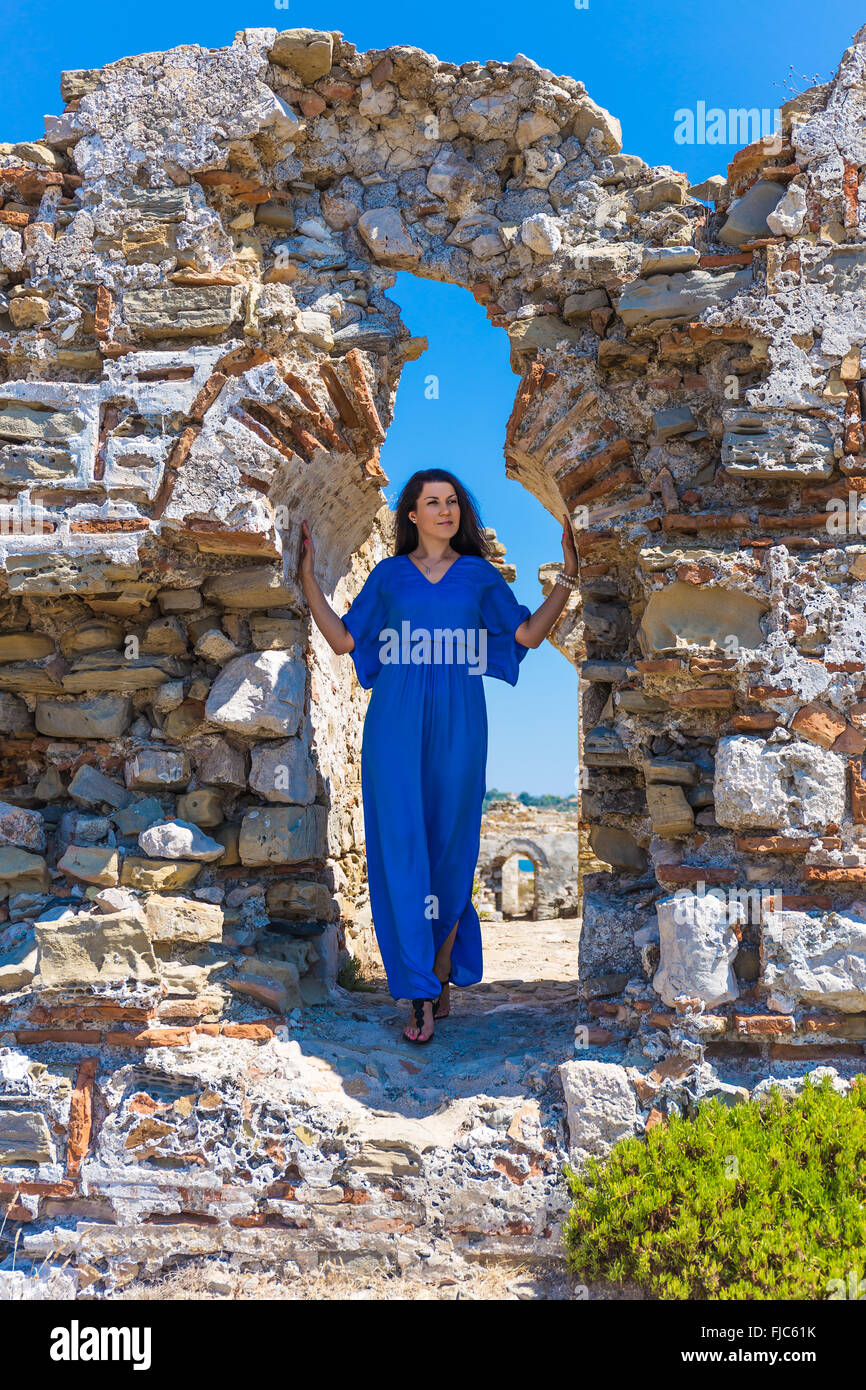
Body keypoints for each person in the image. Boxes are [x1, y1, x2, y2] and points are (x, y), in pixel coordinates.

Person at [298, 468, 579, 1044]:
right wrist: (307, 581)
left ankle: (441, 967)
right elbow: (346, 640)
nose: (446, 511)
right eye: (433, 502)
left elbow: (523, 636)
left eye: (453, 501)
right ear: (412, 515)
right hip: (395, 722)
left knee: (451, 850)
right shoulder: (390, 576)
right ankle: (420, 993)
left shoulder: (478, 576)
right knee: (400, 847)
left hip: (460, 720)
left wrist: (569, 576)